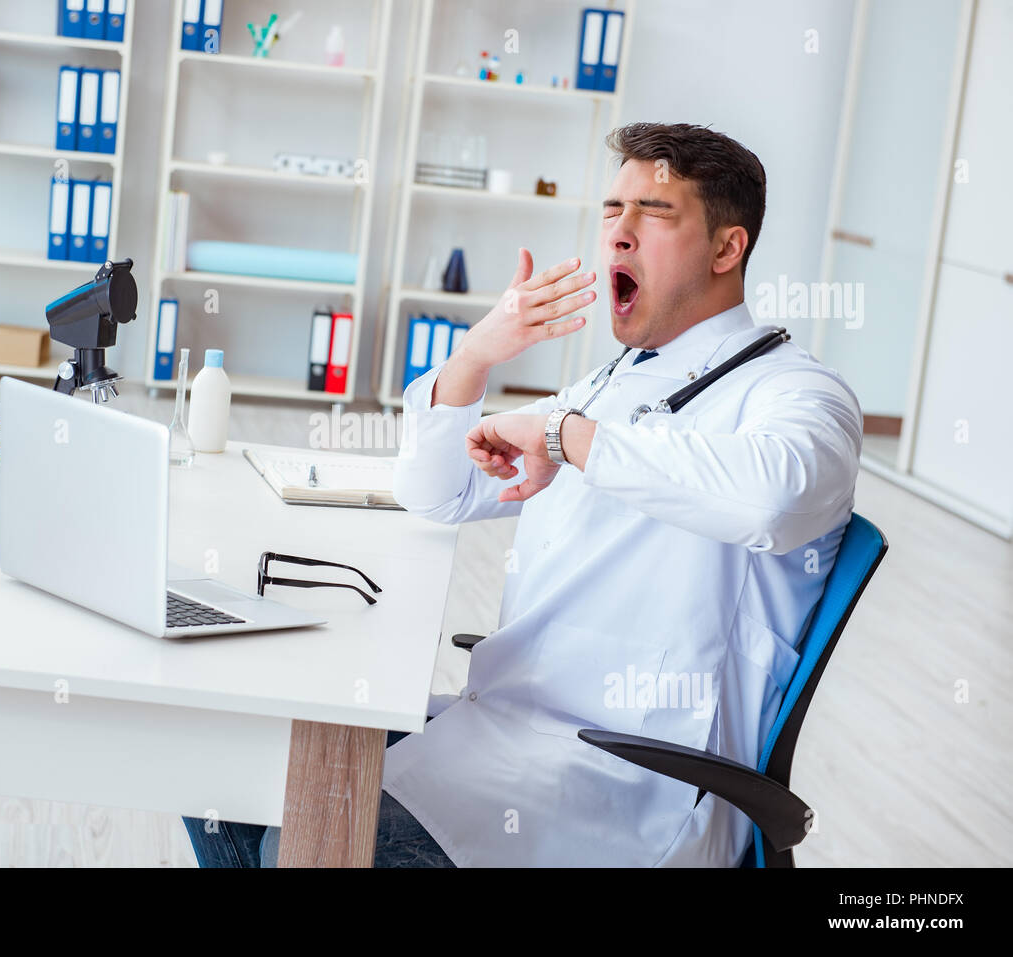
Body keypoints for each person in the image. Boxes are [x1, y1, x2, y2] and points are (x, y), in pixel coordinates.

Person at [185, 121, 861, 867]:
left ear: (728, 248)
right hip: (505, 733)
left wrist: (564, 434)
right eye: (611, 211)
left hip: (627, 784)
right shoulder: (613, 381)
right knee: (217, 753)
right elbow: (433, 491)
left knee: (312, 835)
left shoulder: (798, 390)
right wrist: (478, 354)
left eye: (654, 213)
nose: (618, 236)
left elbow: (773, 499)